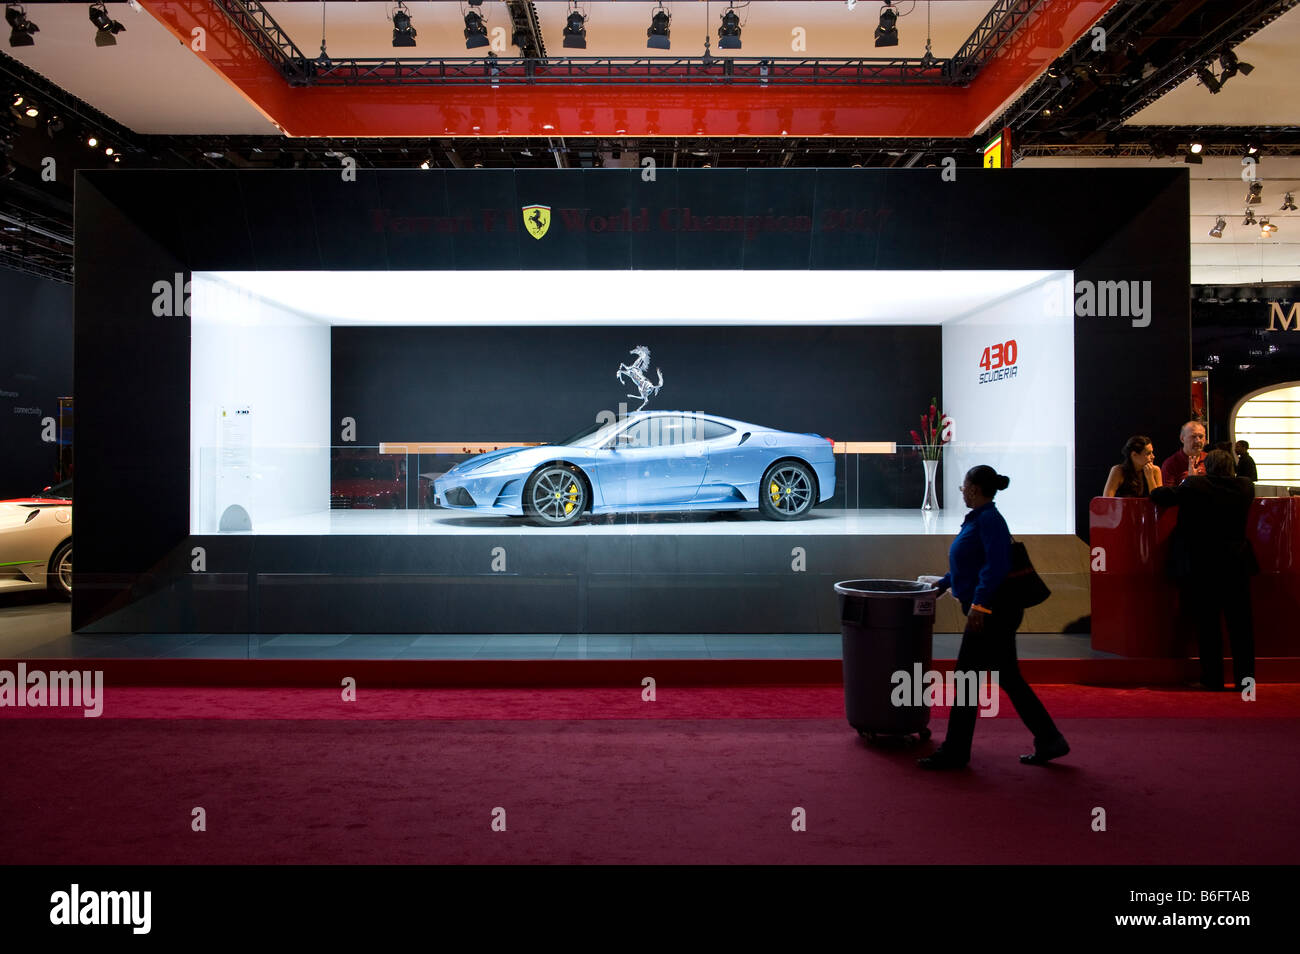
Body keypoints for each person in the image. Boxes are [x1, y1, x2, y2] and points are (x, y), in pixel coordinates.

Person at [915, 466, 1069, 770]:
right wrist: (945, 584)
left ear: (973, 489)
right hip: (996, 611)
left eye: (963, 486)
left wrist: (980, 606)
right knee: (1009, 678)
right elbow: (975, 565)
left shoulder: (987, 521)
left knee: (968, 679)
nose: (961, 491)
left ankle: (956, 751)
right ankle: (1050, 738)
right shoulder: (986, 519)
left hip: (991, 614)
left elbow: (995, 567)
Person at [1151, 449, 1257, 691]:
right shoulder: (1245, 487)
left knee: (1208, 625)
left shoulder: (1196, 485)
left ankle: (1213, 678)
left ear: (1206, 467)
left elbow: (1160, 496)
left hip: (1203, 565)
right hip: (1237, 564)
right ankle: (1246, 681)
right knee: (1241, 626)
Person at [1160, 420, 1208, 487]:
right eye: (1193, 437)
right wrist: (1189, 480)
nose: (1198, 440)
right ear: (1182, 439)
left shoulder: (1210, 459)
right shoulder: (1170, 464)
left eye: (1201, 436)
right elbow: (1168, 496)